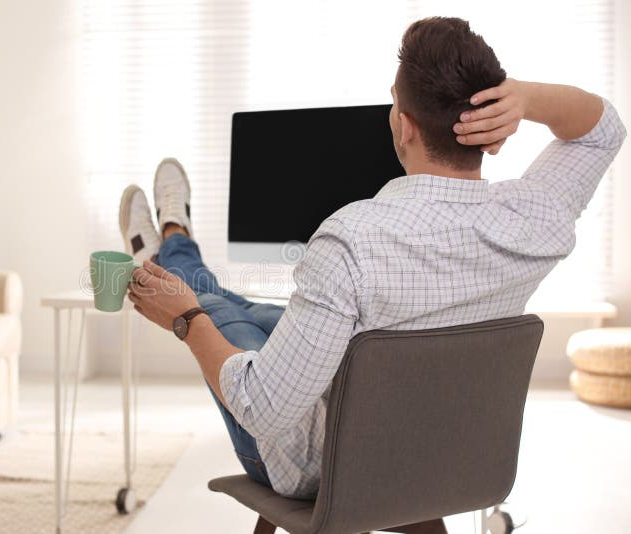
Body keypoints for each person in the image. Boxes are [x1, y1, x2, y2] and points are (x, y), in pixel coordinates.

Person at [117, 16, 626, 533]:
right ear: (488, 127)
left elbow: (263, 408)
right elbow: (603, 130)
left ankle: (172, 244)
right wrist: (524, 98)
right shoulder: (532, 219)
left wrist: (186, 321)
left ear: (403, 124)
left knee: (214, 311)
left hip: (325, 472)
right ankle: (177, 248)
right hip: (449, 462)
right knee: (247, 309)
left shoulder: (351, 240)